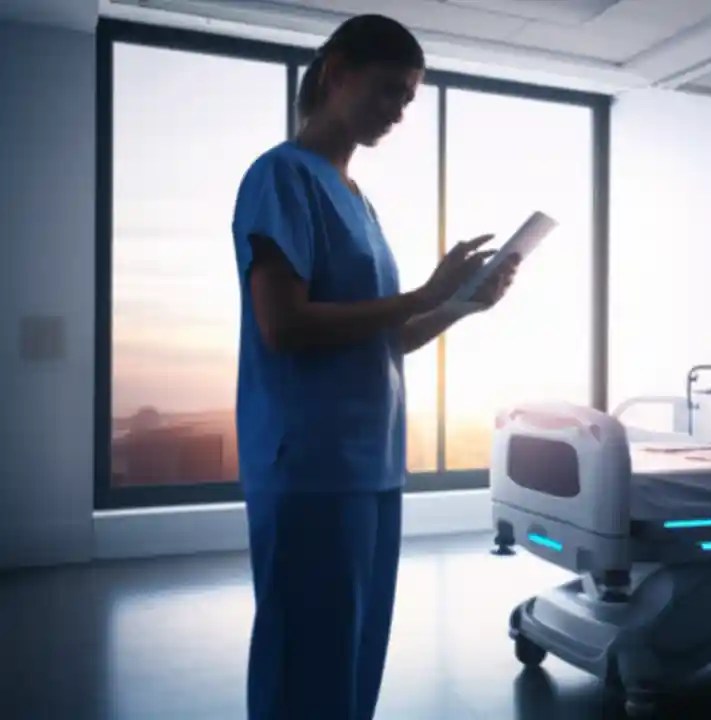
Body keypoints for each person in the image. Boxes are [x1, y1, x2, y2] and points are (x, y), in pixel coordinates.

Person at [229, 14, 519, 720]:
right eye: (388, 91)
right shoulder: (281, 176)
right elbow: (284, 325)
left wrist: (459, 307)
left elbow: (384, 339)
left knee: (352, 658)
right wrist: (421, 293)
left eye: (409, 100)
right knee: (307, 659)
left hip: (369, 464)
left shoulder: (356, 196)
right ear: (335, 72)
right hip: (311, 466)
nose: (397, 112)